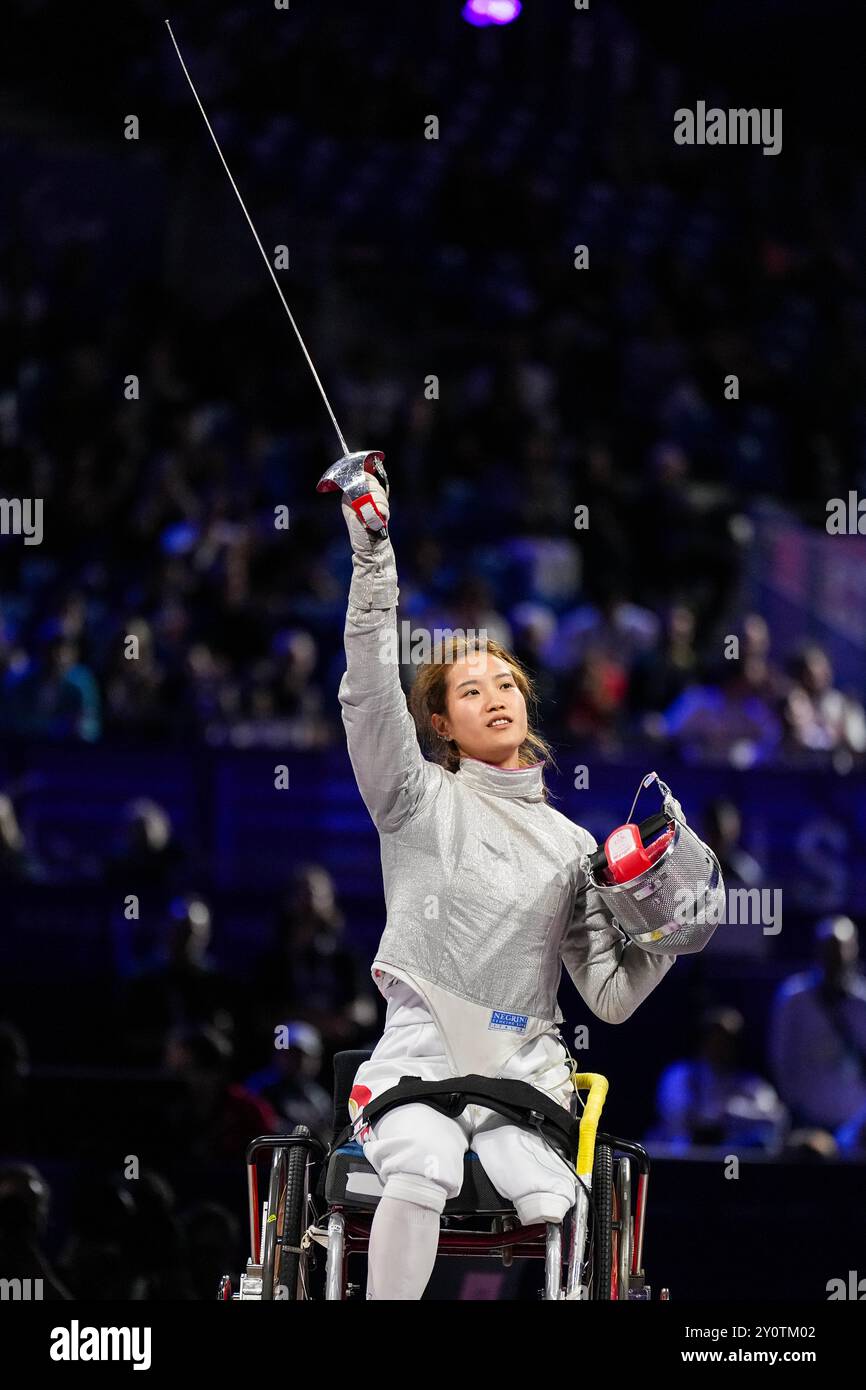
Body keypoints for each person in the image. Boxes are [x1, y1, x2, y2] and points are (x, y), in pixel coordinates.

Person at [332, 465, 707, 1300]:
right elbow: (367, 694)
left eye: (506, 684)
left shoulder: (575, 847)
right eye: (471, 690)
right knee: (424, 1165)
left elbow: (607, 995)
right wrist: (372, 554)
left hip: (525, 1068)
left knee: (548, 1194)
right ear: (441, 724)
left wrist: (670, 932)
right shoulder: (415, 796)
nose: (496, 696)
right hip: (420, 1054)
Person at [768, 916, 866, 1130]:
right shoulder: (794, 998)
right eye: (830, 949)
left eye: (842, 948)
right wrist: (796, 1107)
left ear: (855, 949)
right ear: (818, 950)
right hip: (807, 1120)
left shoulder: (863, 1001)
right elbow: (781, 1059)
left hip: (856, 1126)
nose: (837, 957)